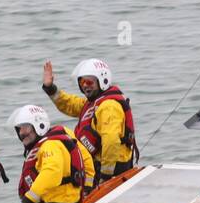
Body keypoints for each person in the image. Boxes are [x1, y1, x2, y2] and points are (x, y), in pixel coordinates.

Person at [41, 58, 137, 186]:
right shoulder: (94, 102)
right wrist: (50, 88)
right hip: (98, 168)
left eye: (89, 81)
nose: (85, 85)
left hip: (111, 171)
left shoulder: (109, 107)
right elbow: (70, 104)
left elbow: (111, 141)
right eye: (81, 82)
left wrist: (106, 176)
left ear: (102, 80)